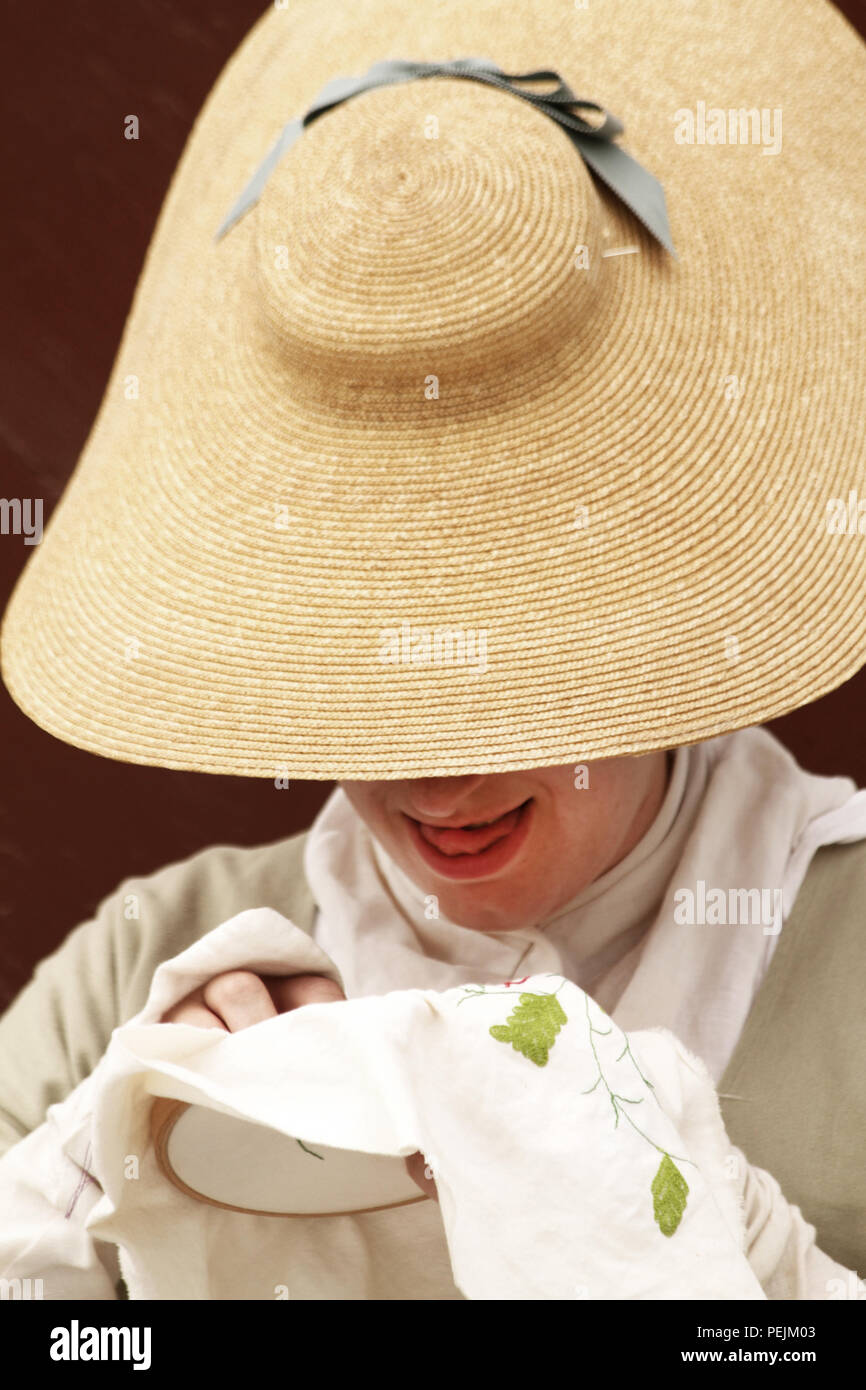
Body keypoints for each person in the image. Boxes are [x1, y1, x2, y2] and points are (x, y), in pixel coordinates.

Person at [1, 0, 865, 1299]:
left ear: (651, 574)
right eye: (363, 656)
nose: (435, 786)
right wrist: (105, 1174)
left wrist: (754, 1273)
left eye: (507, 652)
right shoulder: (133, 972)